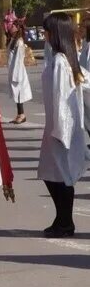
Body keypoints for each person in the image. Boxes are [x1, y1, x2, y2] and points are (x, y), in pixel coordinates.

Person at [38, 12, 85, 238]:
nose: (43, 34)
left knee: (60, 175)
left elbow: (61, 97)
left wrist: (60, 129)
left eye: (46, 30)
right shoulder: (63, 58)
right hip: (56, 126)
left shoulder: (60, 62)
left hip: (60, 127)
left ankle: (65, 221)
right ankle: (62, 218)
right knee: (52, 173)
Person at [6, 12, 32, 124]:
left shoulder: (19, 42)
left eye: (12, 25)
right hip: (13, 69)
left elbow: (18, 59)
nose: (9, 27)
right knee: (16, 94)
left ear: (17, 27)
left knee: (19, 93)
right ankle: (19, 114)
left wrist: (15, 74)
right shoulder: (13, 40)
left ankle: (22, 114)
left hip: (18, 72)